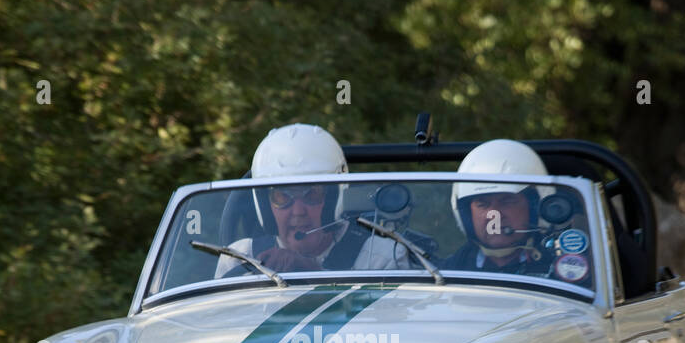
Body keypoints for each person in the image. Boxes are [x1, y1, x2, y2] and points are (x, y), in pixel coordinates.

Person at [215, 124, 413, 277]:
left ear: (333, 199)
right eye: (282, 196)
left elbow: (387, 326)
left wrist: (313, 273)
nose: (298, 211)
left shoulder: (382, 258)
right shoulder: (239, 257)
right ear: (265, 206)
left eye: (312, 195)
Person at [441, 139, 558, 274]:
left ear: (535, 206)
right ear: (466, 213)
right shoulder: (447, 273)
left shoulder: (564, 270)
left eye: (507, 201)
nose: (494, 214)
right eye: (482, 204)